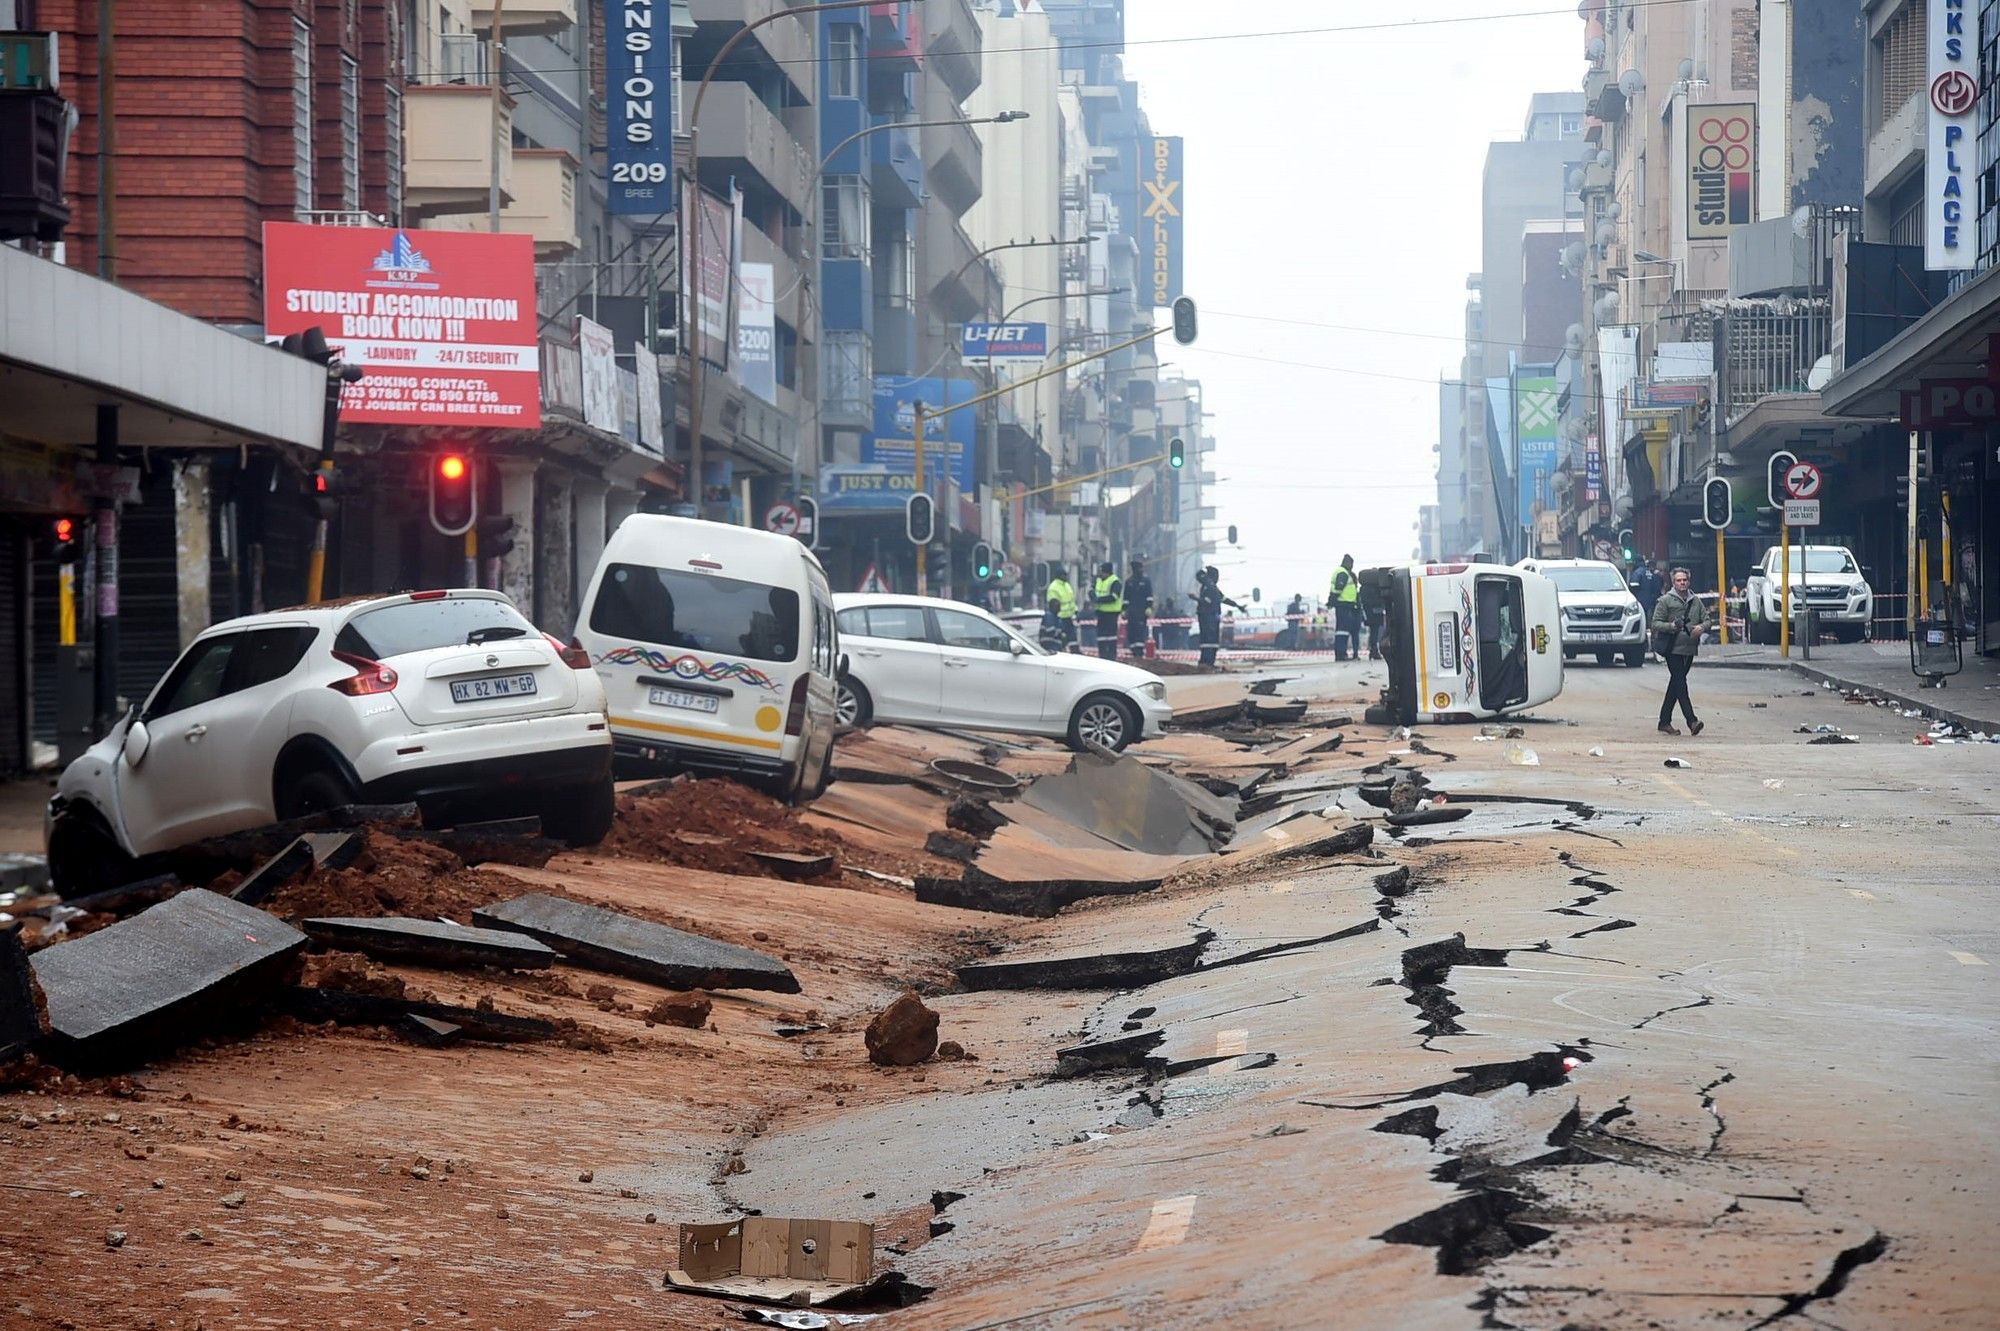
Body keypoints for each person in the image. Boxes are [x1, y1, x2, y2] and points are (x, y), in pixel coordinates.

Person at [1651, 566, 1711, 736]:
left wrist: (1702, 627)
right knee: (1681, 683)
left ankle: (1664, 721)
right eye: (1679, 580)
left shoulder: (1696, 601)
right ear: (1673, 583)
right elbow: (1655, 623)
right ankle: (1692, 721)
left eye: (1684, 580)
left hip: (1689, 649)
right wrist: (1671, 626)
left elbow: (1707, 620)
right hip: (1673, 649)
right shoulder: (1665, 601)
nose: (1682, 583)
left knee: (1676, 684)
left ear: (1689, 582)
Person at [1195, 566, 1244, 668]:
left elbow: (1223, 599)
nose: (1217, 578)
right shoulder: (1209, 587)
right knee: (1208, 640)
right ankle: (1207, 662)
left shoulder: (1211, 587)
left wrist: (1237, 606)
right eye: (1216, 576)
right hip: (1208, 617)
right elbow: (1208, 601)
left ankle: (1207, 662)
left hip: (1211, 617)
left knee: (1210, 640)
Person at [1327, 554, 1362, 661]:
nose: (1352, 566)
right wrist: (1332, 601)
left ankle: (1341, 653)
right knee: (1342, 631)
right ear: (1347, 563)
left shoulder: (1344, 572)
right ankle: (1341, 654)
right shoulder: (1343, 573)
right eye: (1351, 564)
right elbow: (1338, 589)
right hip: (1344, 605)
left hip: (1346, 605)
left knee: (1343, 631)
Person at [1089, 561, 1125, 659]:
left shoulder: (1115, 582)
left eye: (1102, 572)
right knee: (1101, 636)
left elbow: (1114, 597)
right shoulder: (1098, 580)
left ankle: (1111, 656)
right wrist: (1093, 596)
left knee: (1111, 637)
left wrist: (1099, 600)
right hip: (1101, 613)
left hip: (1111, 614)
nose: (1100, 574)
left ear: (1107, 572)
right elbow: (1091, 590)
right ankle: (1102, 655)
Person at [1044, 564, 1079, 653]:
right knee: (1061, 639)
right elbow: (1053, 603)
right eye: (1065, 575)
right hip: (1059, 618)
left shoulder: (1067, 585)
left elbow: (1071, 601)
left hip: (1068, 618)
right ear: (1060, 576)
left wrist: (1075, 611)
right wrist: (1056, 616)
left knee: (1073, 640)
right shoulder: (1053, 587)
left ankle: (1076, 653)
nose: (1066, 577)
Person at [1125, 558, 1155, 658]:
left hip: (1142, 612)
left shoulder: (1146, 581)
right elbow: (1126, 598)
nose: (1141, 570)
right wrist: (1124, 610)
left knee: (1140, 632)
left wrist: (1149, 607)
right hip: (1131, 612)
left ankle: (1139, 652)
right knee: (1131, 632)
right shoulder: (1129, 582)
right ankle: (1134, 651)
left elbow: (1149, 596)